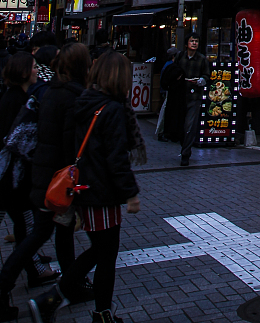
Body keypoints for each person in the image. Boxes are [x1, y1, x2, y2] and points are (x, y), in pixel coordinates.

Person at [29, 51, 141, 323]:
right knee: (103, 253)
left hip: (85, 189)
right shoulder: (112, 109)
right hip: (102, 193)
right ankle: (55, 302)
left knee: (102, 252)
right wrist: (131, 193)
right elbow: (115, 158)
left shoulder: (86, 101)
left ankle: (96, 312)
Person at [0, 44, 94, 319]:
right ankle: (5, 283)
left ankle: (70, 285)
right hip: (57, 178)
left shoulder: (48, 91)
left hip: (44, 175)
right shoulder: (72, 97)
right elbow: (69, 145)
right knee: (41, 234)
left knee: (54, 233)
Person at [174, 35, 210, 167]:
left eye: (196, 41)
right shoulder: (180, 57)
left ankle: (185, 153)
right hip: (180, 96)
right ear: (186, 43)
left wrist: (200, 81)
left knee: (190, 125)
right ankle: (183, 145)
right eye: (191, 41)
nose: (194, 43)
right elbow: (174, 71)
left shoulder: (202, 59)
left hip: (194, 97)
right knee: (181, 125)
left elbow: (207, 75)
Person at [155, 47, 177, 142]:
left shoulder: (166, 65)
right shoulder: (170, 65)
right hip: (168, 91)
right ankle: (161, 132)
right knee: (164, 111)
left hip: (165, 90)